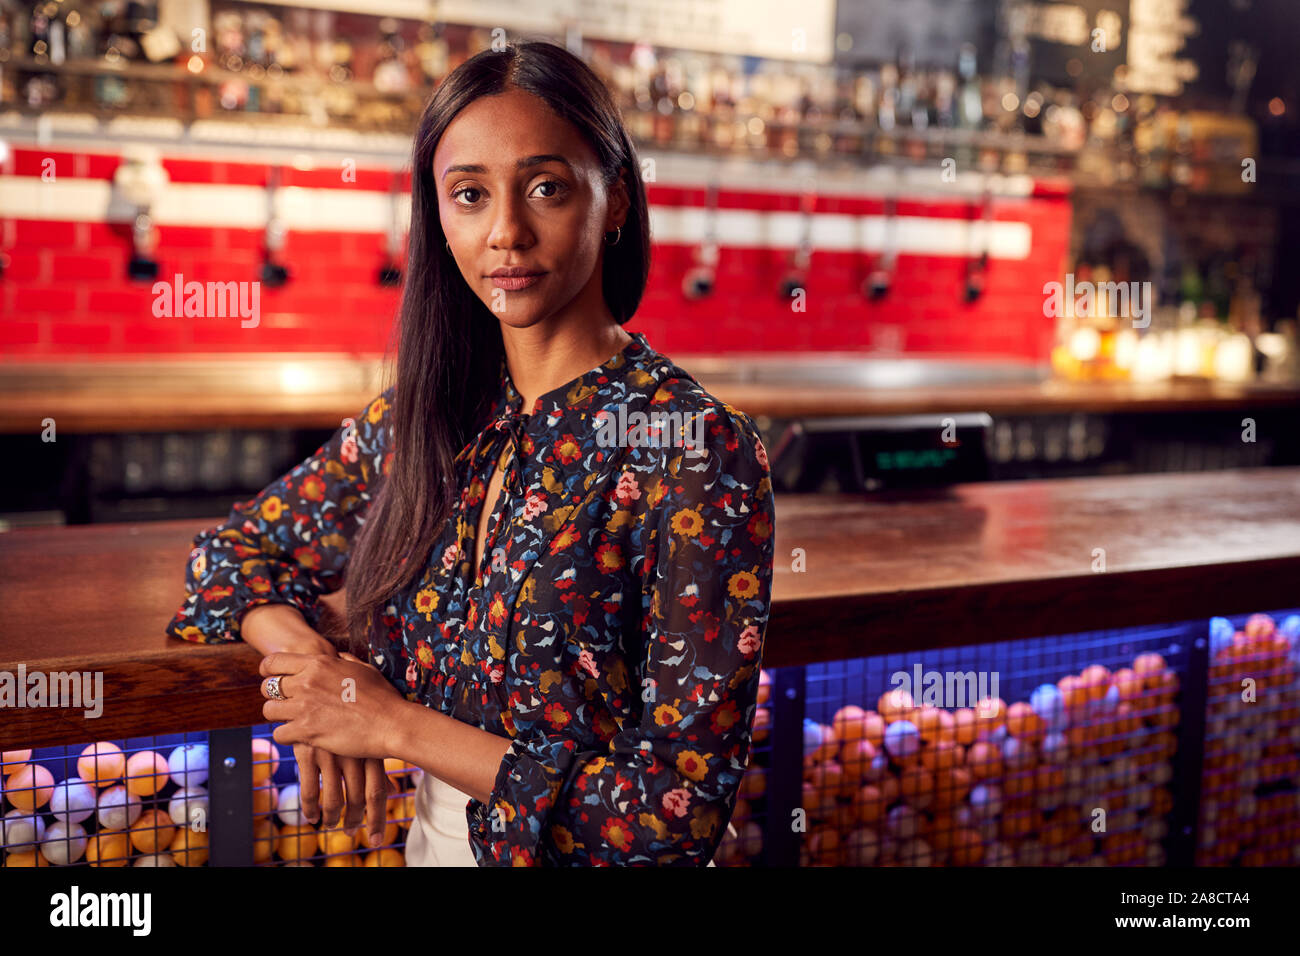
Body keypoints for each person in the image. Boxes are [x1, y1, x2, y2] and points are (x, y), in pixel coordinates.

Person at [166, 40, 776, 866]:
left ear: (618, 201)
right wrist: (311, 667)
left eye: (546, 188)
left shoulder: (696, 448)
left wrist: (387, 722)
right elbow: (230, 557)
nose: (506, 233)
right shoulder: (429, 417)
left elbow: (672, 822)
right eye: (469, 195)